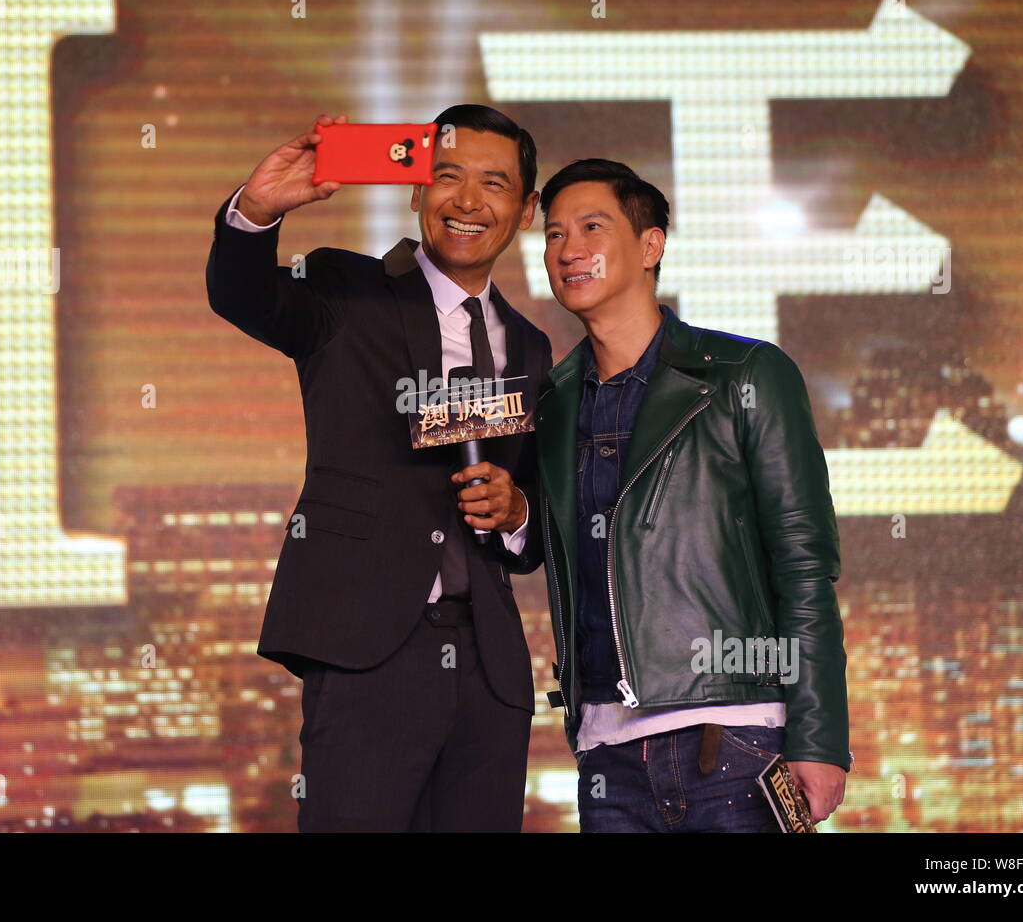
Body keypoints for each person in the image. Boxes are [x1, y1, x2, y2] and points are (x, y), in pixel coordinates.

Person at [207, 105, 552, 831]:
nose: (467, 200)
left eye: (493, 184)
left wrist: (517, 513)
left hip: (490, 666)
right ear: (416, 193)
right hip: (369, 649)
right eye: (447, 176)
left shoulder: (528, 347)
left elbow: (534, 518)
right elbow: (243, 295)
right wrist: (256, 213)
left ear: (523, 212)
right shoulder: (346, 288)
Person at [534, 159, 849, 832]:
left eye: (592, 227)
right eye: (554, 235)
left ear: (651, 246)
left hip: (731, 739)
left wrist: (819, 742)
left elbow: (803, 562)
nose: (569, 251)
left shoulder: (746, 375)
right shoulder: (554, 403)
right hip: (606, 753)